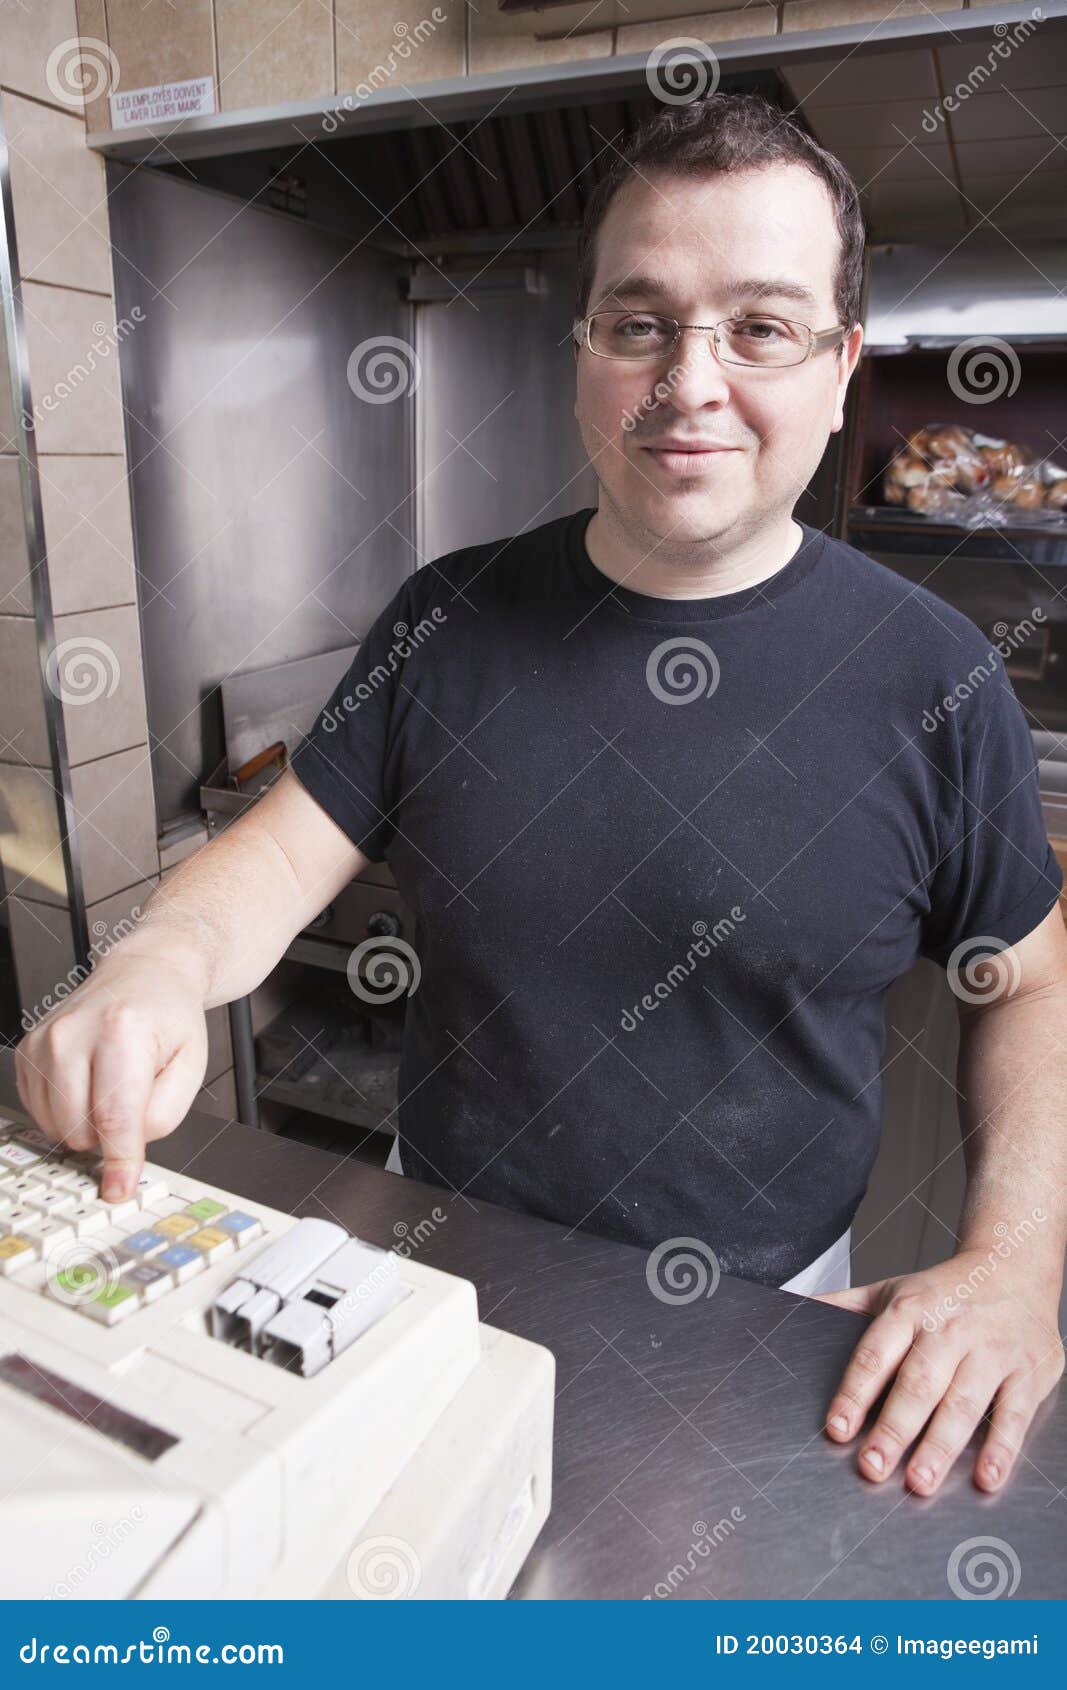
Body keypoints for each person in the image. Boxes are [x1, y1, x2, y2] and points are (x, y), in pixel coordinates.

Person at [16, 93, 1066, 1500]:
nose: (690, 380)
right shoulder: (444, 621)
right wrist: (147, 964)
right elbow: (269, 866)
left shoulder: (936, 677)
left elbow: (1034, 979)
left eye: (759, 328)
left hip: (776, 1324)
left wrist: (1013, 1263)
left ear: (839, 368)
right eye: (640, 322)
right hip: (425, 1267)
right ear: (585, 353)